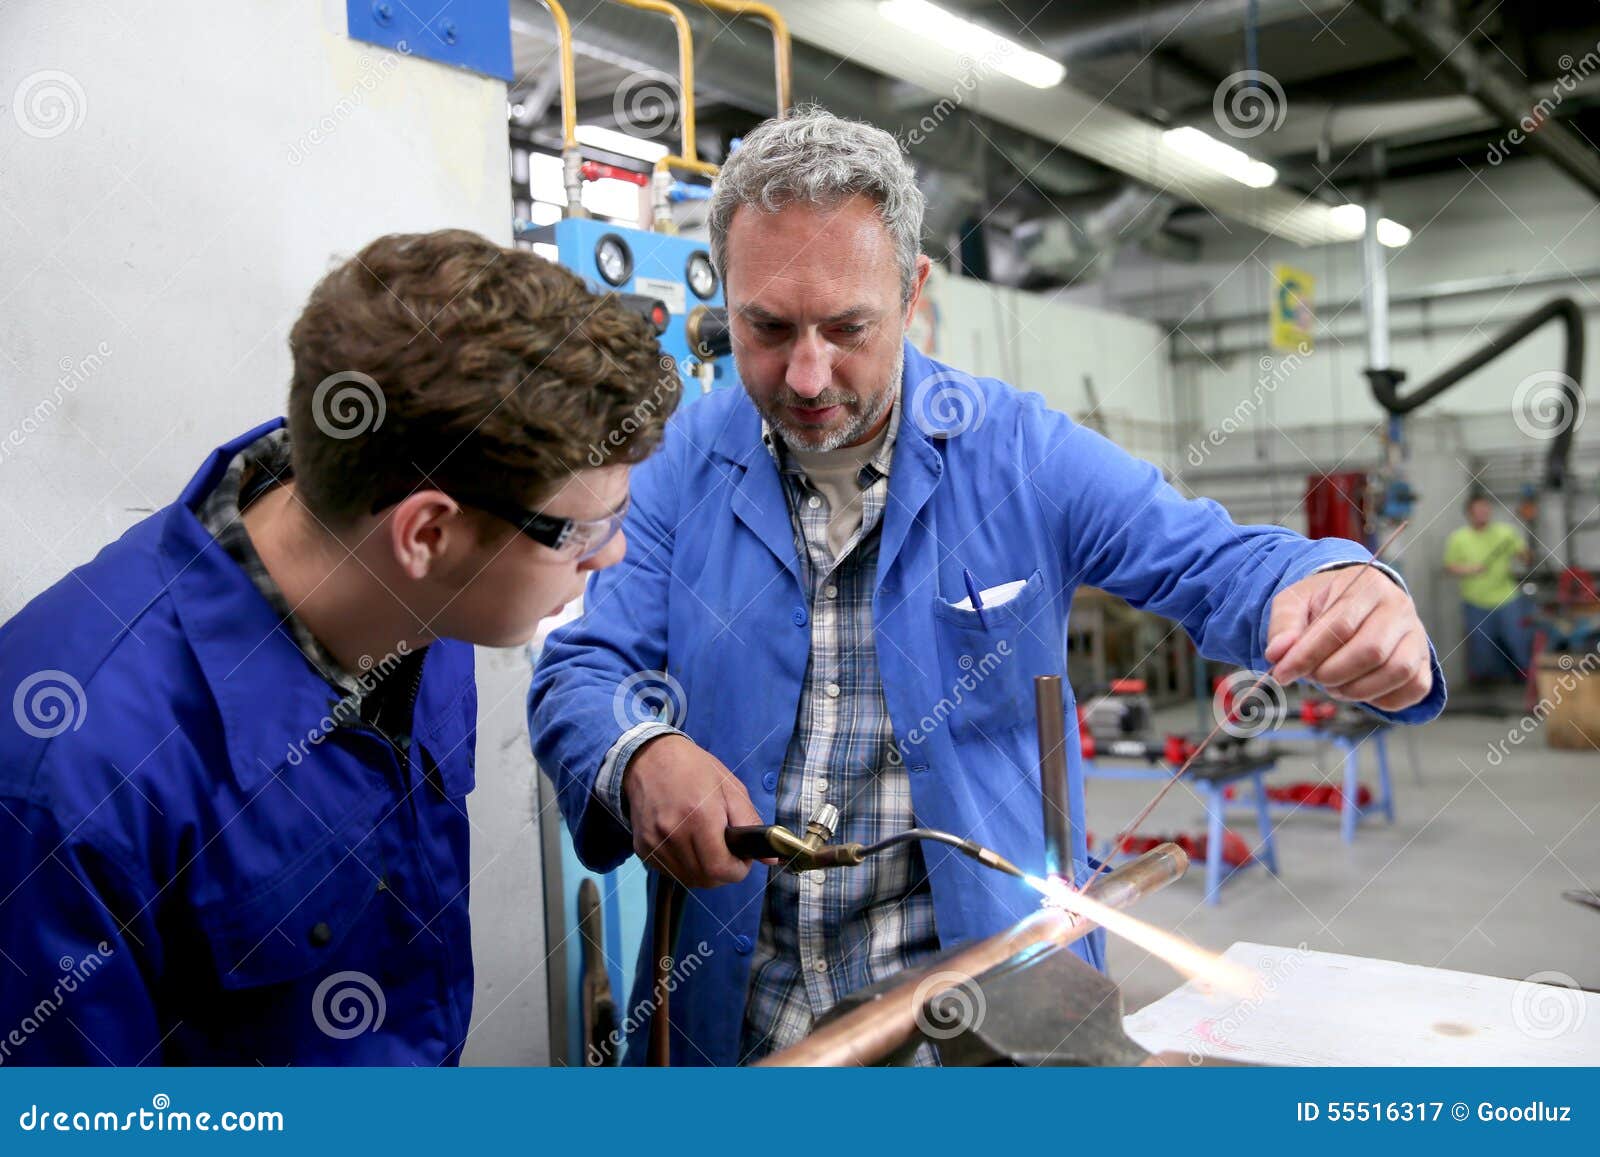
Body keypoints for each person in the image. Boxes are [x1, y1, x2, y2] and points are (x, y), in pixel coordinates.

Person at [529, 108, 1446, 1067]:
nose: (807, 374)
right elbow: (582, 670)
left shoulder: (1019, 453)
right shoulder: (679, 466)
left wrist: (1336, 581)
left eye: (848, 328)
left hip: (986, 1021)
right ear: (728, 299)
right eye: (768, 328)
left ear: (913, 291)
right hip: (740, 1026)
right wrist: (637, 753)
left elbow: (1209, 560)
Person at [0, 230, 678, 1064]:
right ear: (427, 531)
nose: (609, 554)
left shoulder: (421, 605)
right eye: (581, 530)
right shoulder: (64, 779)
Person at [1444, 494, 1533, 682]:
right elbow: (1450, 566)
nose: (1483, 513)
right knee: (1482, 648)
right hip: (1475, 601)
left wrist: (1525, 554)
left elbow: (1525, 557)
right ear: (1469, 514)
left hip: (1507, 598)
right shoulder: (1458, 538)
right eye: (1478, 510)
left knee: (1517, 641)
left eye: (1486, 509)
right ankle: (1493, 683)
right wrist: (1470, 569)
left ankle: (1529, 682)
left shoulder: (1506, 532)